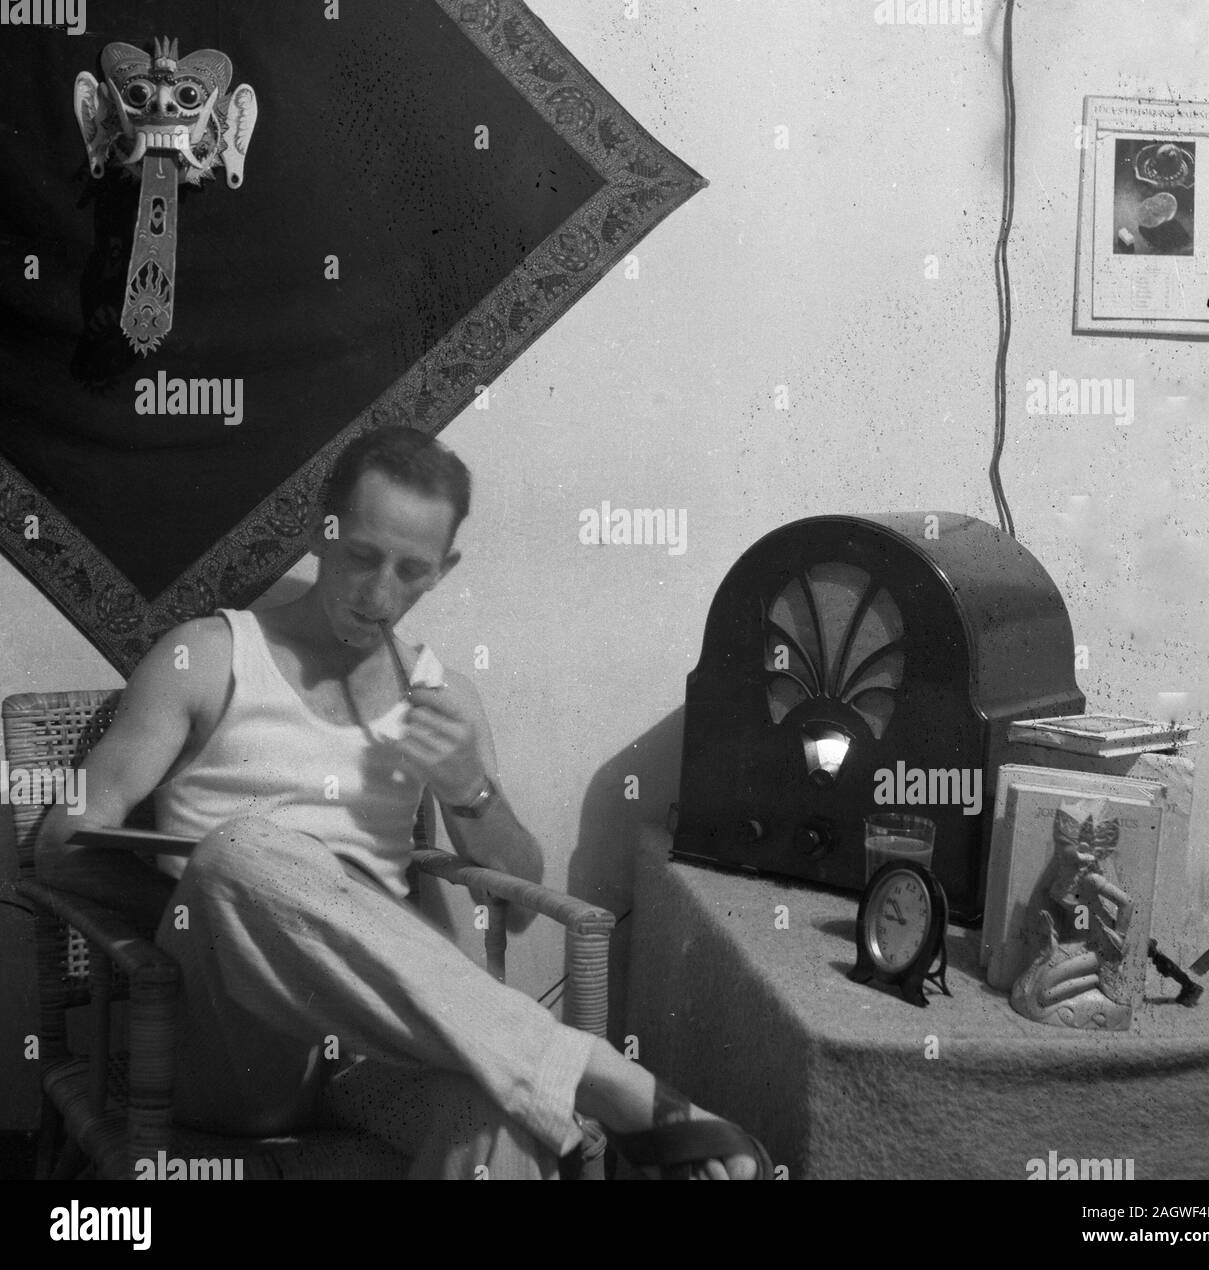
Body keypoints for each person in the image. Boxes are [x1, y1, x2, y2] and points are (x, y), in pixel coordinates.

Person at [35, 425, 770, 1180]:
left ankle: (563, 1077)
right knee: (240, 852)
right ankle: (596, 1073)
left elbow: (519, 897)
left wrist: (467, 788)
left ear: (443, 571)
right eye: (361, 556)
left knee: (504, 1129)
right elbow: (62, 846)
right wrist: (212, 901)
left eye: (411, 570)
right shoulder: (210, 657)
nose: (379, 593)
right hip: (238, 1051)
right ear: (321, 534)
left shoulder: (441, 696)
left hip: (379, 1049)